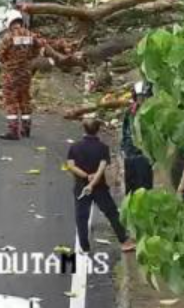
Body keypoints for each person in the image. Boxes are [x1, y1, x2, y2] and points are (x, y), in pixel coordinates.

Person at [66, 118, 137, 253]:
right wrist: (93, 181)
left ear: (84, 129)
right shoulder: (102, 148)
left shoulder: (74, 147)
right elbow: (101, 168)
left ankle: (84, 246)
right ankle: (124, 241)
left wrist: (86, 176)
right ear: (98, 130)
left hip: (81, 186)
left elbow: (71, 166)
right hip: (100, 187)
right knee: (111, 213)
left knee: (81, 216)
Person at [121, 81, 155, 195]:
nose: (142, 100)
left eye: (144, 97)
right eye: (140, 97)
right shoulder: (131, 111)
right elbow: (125, 129)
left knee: (144, 188)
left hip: (144, 156)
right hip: (130, 154)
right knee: (130, 187)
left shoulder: (152, 113)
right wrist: (124, 148)